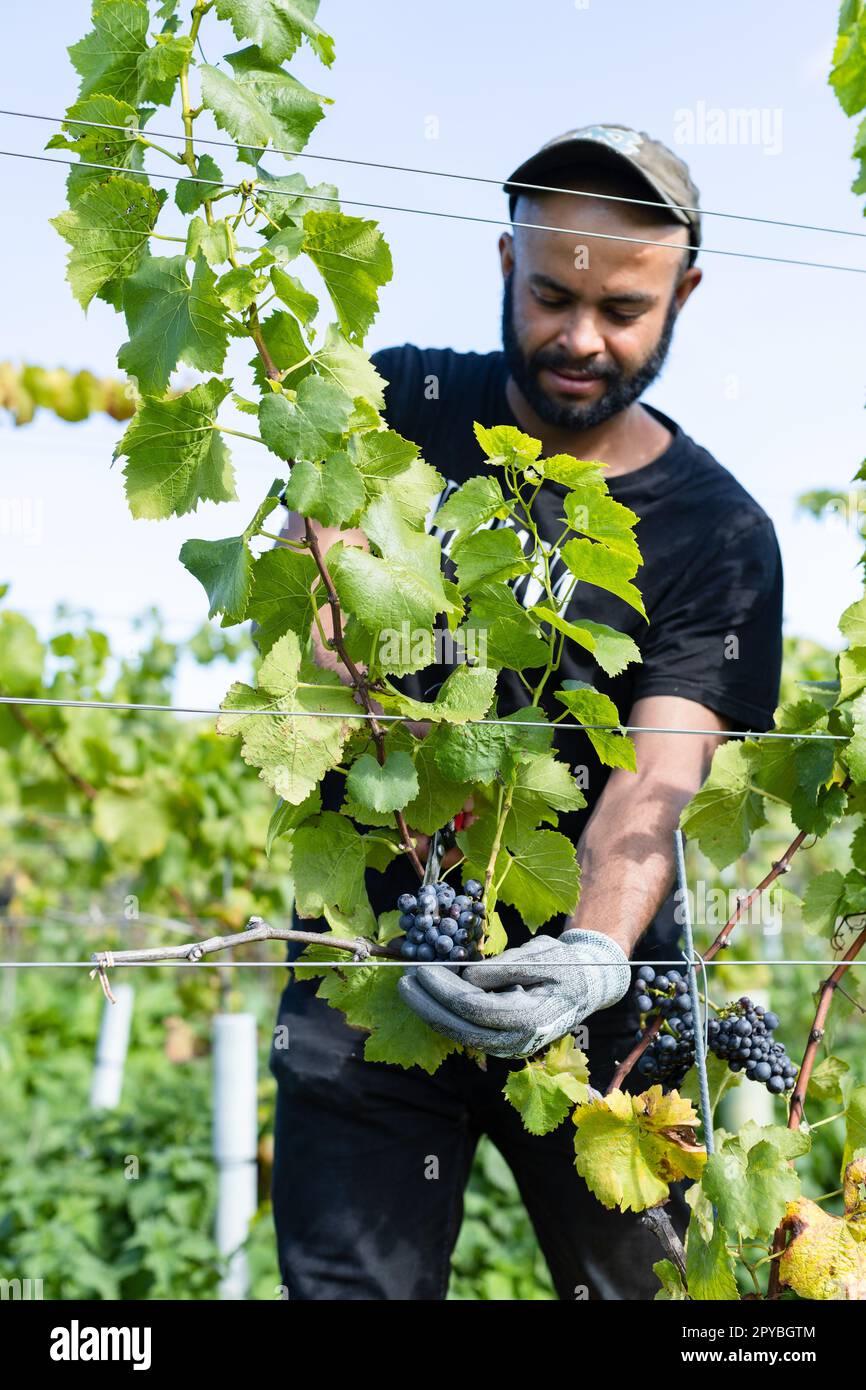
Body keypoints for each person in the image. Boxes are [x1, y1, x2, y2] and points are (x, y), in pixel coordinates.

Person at [268, 124, 783, 1300]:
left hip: (601, 1006)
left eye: (624, 310)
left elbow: (654, 781)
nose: (580, 338)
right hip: (370, 973)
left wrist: (594, 949)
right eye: (552, 294)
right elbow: (319, 634)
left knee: (662, 1302)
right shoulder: (393, 405)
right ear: (505, 263)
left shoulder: (717, 534)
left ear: (682, 294)